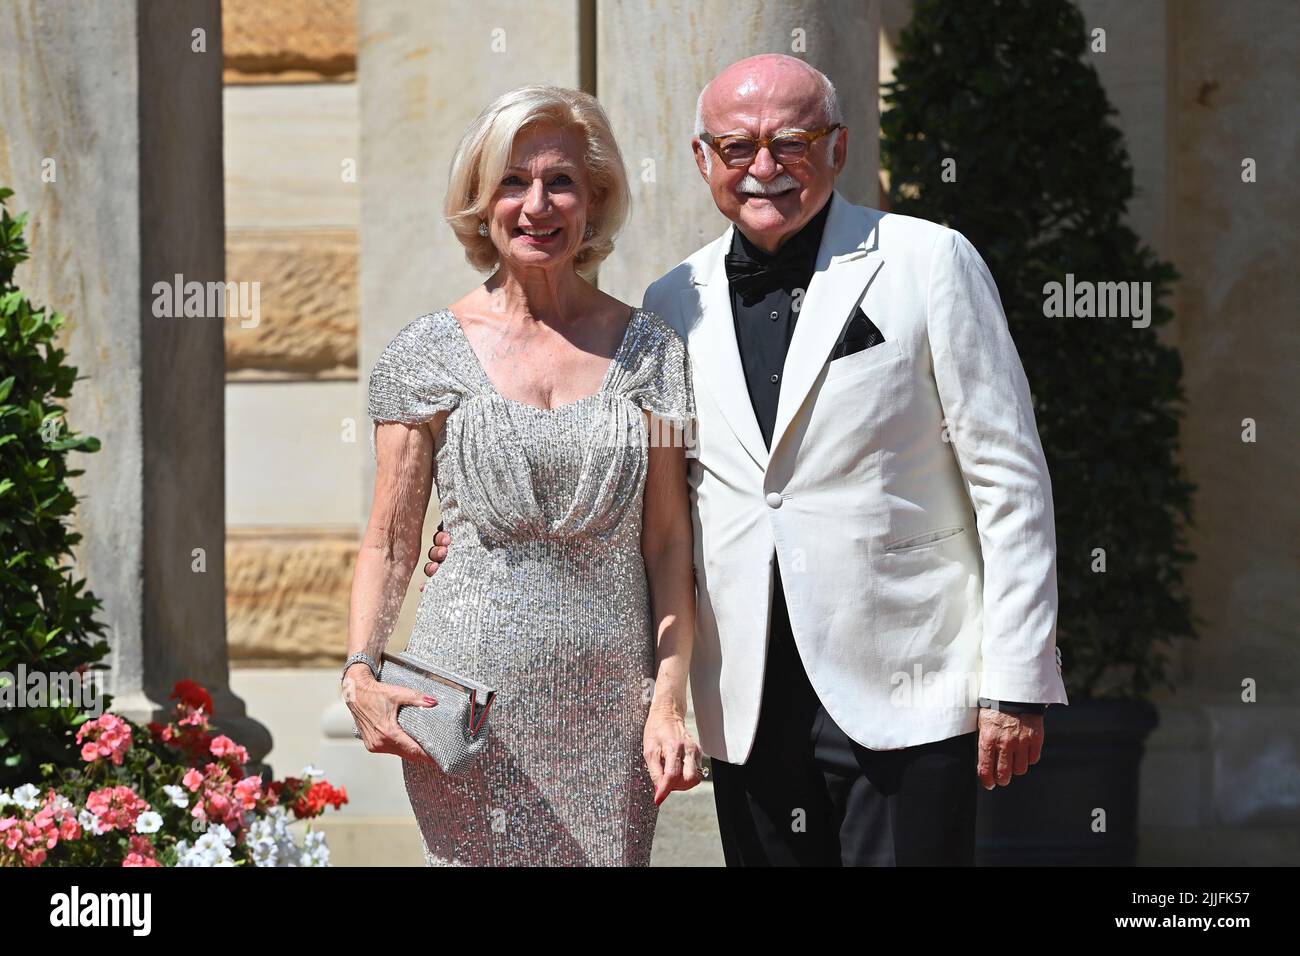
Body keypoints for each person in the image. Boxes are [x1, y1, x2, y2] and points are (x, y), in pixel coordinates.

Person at [427, 54, 1068, 866]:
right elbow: (652, 504)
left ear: (837, 148)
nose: (764, 168)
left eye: (790, 142)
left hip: (911, 684)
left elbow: (1011, 481)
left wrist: (1015, 680)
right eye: (737, 148)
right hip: (746, 699)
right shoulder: (668, 304)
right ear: (703, 161)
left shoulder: (928, 261)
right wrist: (484, 540)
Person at [343, 85, 703, 866]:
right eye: (512, 181)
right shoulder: (425, 353)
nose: (536, 204)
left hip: (614, 713)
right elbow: (391, 542)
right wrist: (360, 673)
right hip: (469, 709)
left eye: (560, 181)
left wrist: (669, 701)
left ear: (594, 201)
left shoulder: (657, 355)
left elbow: (672, 543)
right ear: (480, 201)